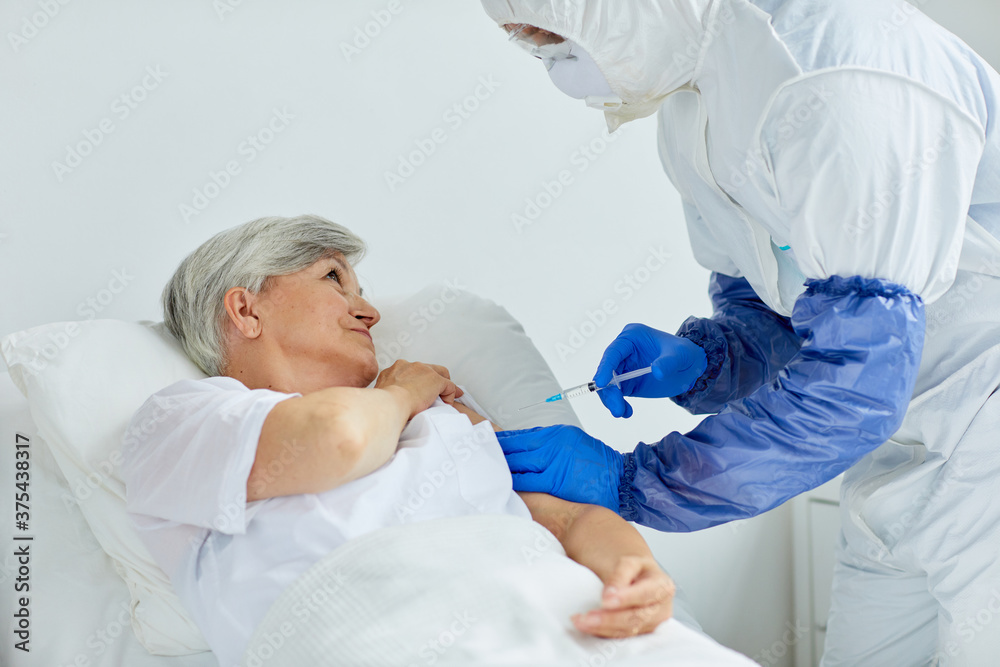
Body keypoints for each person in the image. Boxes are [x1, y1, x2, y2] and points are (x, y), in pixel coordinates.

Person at [480, 1, 1000, 664]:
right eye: (532, 46)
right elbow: (783, 313)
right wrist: (704, 358)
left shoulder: (834, 72)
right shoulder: (694, 110)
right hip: (897, 457)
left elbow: (857, 384)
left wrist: (633, 481)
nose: (555, 69)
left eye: (555, 40)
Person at [120, 215, 684, 667]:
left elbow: (564, 520)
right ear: (246, 309)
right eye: (333, 279)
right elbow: (337, 437)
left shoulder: (439, 416)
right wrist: (401, 393)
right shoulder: (187, 418)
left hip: (565, 623)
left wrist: (634, 568)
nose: (369, 310)